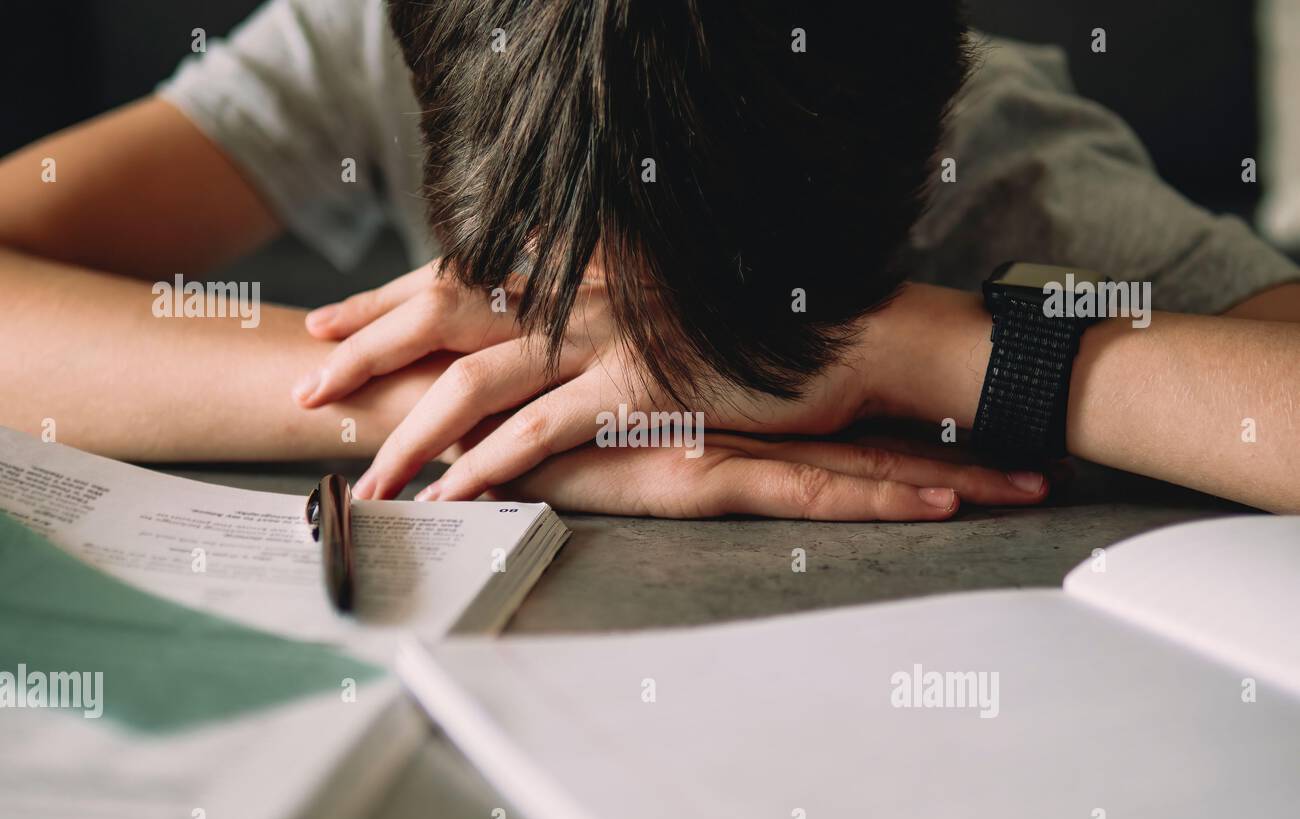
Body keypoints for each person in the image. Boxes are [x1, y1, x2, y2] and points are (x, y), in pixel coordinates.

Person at [1, 0, 1297, 519]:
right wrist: (466, 407)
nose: (622, 370)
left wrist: (936, 345)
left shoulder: (1002, 157)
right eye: (551, 318)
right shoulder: (375, 46)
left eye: (693, 336)